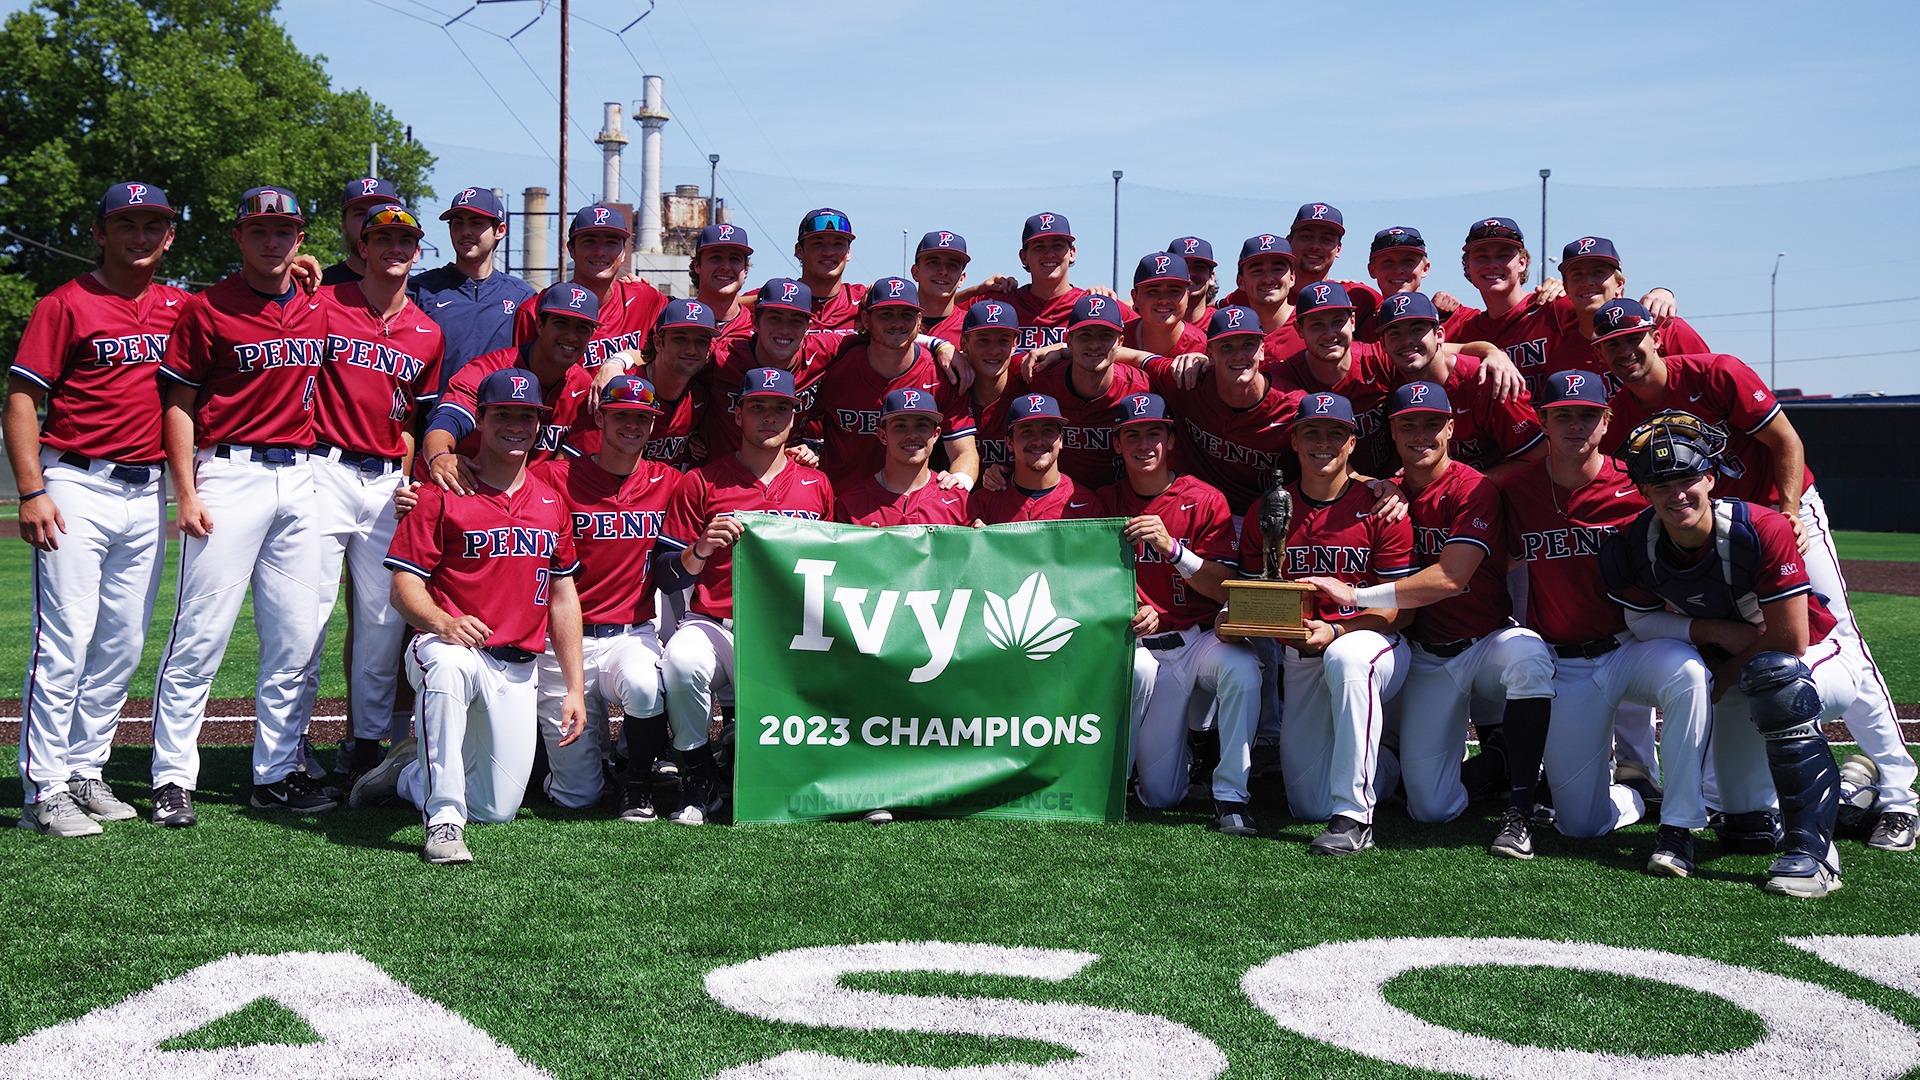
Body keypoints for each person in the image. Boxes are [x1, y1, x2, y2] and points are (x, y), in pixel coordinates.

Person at [1594, 298, 1915, 850]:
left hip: (1778, 512)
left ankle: (1900, 793)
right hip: (1712, 529)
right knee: (1727, 659)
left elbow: (1786, 442)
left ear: (1656, 335)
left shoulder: (1716, 372)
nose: (1625, 352)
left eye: (1632, 339)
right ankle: (1731, 797)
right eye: (1612, 346)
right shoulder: (1623, 413)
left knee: (1835, 638)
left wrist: (1789, 513)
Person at [1602, 418, 1860, 895]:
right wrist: (1714, 634)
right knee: (1748, 828)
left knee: (1779, 679)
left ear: (1710, 478)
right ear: (1642, 490)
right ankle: (1854, 795)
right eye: (1661, 484)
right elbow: (1640, 622)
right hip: (1741, 670)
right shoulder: (1634, 542)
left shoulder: (1758, 527)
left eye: (1686, 479)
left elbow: (1790, 639)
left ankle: (1815, 855)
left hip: (1812, 657)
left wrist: (1722, 674)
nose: (1676, 494)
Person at [1299, 382, 1556, 856]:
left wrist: (1356, 595)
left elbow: (1451, 578)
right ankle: (1492, 766)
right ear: (1392, 433)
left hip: (1484, 643)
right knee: (1431, 808)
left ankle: (1522, 807)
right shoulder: (1386, 490)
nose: (1421, 434)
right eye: (1408, 424)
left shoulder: (1474, 486)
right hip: (1427, 656)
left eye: (1432, 423)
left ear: (1451, 428)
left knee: (1529, 655)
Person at [9, 181, 186, 836]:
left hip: (147, 492)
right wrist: (31, 490)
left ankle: (86, 768)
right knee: (65, 638)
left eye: (153, 226)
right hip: (76, 485)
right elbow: (22, 400)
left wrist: (299, 277)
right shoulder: (65, 304)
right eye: (127, 225)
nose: (140, 237)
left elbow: (247, 317)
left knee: (121, 642)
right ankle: (45, 787)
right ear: (100, 232)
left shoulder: (180, 308)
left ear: (170, 236)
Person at [352, 369, 586, 864]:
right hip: (449, 644)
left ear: (541, 423)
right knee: (449, 666)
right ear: (480, 419)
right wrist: (442, 623)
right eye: (503, 414)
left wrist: (573, 687)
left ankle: (408, 774)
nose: (516, 425)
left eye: (527, 416)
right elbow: (403, 588)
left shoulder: (550, 501)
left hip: (517, 664)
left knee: (497, 810)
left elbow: (564, 596)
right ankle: (442, 821)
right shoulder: (439, 492)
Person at [151, 185, 331, 825]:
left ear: (299, 238)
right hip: (229, 473)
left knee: (295, 638)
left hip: (301, 476)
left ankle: (276, 773)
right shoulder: (206, 308)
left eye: (283, 230)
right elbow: (177, 403)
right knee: (199, 636)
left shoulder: (316, 305)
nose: (272, 239)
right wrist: (186, 491)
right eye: (260, 229)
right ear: (240, 236)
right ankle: (173, 777)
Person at [1497, 370, 1711, 873]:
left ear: (1606, 420)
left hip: (1632, 645)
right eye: (1563, 415)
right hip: (1565, 663)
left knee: (1688, 675)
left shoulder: (1637, 486)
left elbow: (1702, 523)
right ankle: (1634, 792)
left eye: (1588, 415)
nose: (1576, 424)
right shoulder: (1515, 489)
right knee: (1581, 824)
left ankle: (1678, 828)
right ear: (1542, 421)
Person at [655, 368, 835, 825]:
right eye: (758, 406)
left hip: (792, 630)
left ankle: (804, 774)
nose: (769, 417)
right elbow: (666, 577)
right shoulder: (701, 481)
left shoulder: (818, 484)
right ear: (738, 413)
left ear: (795, 417)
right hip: (717, 623)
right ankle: (698, 777)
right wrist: (700, 548)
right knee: (681, 659)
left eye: (780, 407)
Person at [302, 203, 444, 782]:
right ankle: (288, 752)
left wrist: (409, 479)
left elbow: (413, 418)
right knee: (306, 619)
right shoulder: (324, 305)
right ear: (362, 246)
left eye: (405, 240)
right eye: (382, 238)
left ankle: (363, 742)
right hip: (324, 469)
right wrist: (296, 265)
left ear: (417, 250)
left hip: (387, 479)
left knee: (383, 623)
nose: (395, 248)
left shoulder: (427, 332)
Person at [1239, 392, 1413, 856]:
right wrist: (1242, 615)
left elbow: (1402, 608)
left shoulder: (1379, 505)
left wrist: (1338, 630)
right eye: (1311, 432)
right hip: (1301, 655)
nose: (1323, 443)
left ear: (1352, 442)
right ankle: (1389, 770)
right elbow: (1259, 591)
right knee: (1305, 804)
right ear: (1294, 440)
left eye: (1335, 433)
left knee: (1345, 656)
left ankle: (1355, 818)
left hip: (1373, 645)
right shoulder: (1270, 508)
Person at [1099, 393, 1261, 836]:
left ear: (1170, 439)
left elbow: (1224, 586)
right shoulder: (1103, 501)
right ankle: (1128, 774)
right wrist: (1128, 608)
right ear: (1117, 443)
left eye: (1154, 432)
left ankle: (1231, 797)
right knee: (1162, 795)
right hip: (1143, 646)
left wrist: (1174, 550)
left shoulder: (1204, 498)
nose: (1144, 443)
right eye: (1132, 434)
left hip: (1197, 639)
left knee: (1243, 668)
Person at [529, 375, 681, 821]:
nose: (632, 425)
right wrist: (431, 479)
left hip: (628, 634)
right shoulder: (554, 476)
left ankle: (637, 781)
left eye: (642, 418)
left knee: (644, 683)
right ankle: (555, 766)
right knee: (577, 798)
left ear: (653, 426)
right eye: (621, 416)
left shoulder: (668, 481)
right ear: (600, 416)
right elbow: (496, 486)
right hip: (561, 641)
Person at [421, 283, 601, 494]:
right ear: (540, 325)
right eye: (561, 323)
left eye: (582, 327)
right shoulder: (488, 370)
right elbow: (448, 421)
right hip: (458, 488)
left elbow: (564, 467)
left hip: (522, 501)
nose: (571, 336)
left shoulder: (584, 387)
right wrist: (439, 456)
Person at [811, 277, 978, 492]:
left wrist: (958, 486)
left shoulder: (942, 374)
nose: (897, 323)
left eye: (906, 315)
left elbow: (964, 452)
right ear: (866, 319)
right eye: (886, 314)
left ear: (919, 320)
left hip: (911, 513)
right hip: (842, 507)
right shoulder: (837, 362)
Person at [1374, 292, 1543, 478]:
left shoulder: (1487, 381)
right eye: (1395, 333)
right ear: (1383, 345)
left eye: (1417, 330)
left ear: (1439, 335)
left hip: (1493, 496)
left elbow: (1537, 458)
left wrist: (1460, 486)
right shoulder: (1392, 372)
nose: (1407, 341)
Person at [411, 186, 535, 392]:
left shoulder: (522, 296)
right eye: (457, 224)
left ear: (500, 230)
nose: (465, 231)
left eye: (476, 223)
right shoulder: (420, 290)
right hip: (434, 419)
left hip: (500, 417)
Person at [510, 203, 666, 368]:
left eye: (611, 242)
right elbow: (523, 380)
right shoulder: (535, 310)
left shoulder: (646, 298)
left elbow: (672, 357)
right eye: (589, 241)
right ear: (571, 249)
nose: (600, 251)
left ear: (623, 252)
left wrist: (623, 359)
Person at [702, 277, 840, 459]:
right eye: (775, 318)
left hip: (785, 475)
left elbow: (875, 341)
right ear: (755, 322)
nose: (784, 329)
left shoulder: (824, 351)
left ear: (809, 327)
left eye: (796, 321)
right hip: (720, 476)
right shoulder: (722, 357)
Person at [1020, 293, 1148, 488]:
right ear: (1069, 341)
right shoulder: (1040, 374)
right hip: (1061, 504)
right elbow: (986, 362)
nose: (1095, 344)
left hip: (1123, 501)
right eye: (1085, 335)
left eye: (1105, 336)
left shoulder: (1143, 387)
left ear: (1120, 342)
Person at [971, 213, 1131, 353]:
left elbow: (1147, 324)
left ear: (1072, 253)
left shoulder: (1093, 305)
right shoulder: (1001, 303)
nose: (1049, 254)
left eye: (1058, 246)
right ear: (1023, 257)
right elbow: (948, 313)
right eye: (1039, 247)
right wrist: (977, 289)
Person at [835, 388, 973, 527]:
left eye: (921, 426)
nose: (912, 435)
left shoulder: (959, 500)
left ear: (936, 435)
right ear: (883, 436)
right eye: (900, 426)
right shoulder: (851, 504)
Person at [966, 394, 1090, 525]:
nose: (1038, 441)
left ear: (1061, 440)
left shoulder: (1086, 503)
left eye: (1047, 430)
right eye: (1027, 432)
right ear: (1009, 443)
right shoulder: (982, 504)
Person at [785, 207, 866, 341]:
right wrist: (763, 298)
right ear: (799, 250)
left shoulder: (864, 301)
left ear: (849, 252)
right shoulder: (777, 299)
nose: (828, 252)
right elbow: (737, 306)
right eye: (818, 243)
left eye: (838, 244)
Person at [1123, 252, 1210, 357]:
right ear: (1135, 297)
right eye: (1153, 291)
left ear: (1187, 296)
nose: (1164, 300)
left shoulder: (1205, 348)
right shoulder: (1115, 340)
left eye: (1174, 291)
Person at [687, 223, 755, 352]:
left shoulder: (760, 331)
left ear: (745, 268)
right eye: (716, 258)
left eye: (734, 259)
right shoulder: (674, 323)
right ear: (697, 265)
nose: (726, 267)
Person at [319, 176, 399, 285]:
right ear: (344, 224)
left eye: (380, 213)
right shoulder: (318, 286)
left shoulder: (417, 292)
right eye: (360, 214)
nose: (369, 221)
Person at [1165, 236, 1218, 327]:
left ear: (1211, 277)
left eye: (1199, 267)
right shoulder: (1149, 323)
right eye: (1182, 267)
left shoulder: (1221, 323)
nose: (1190, 274)